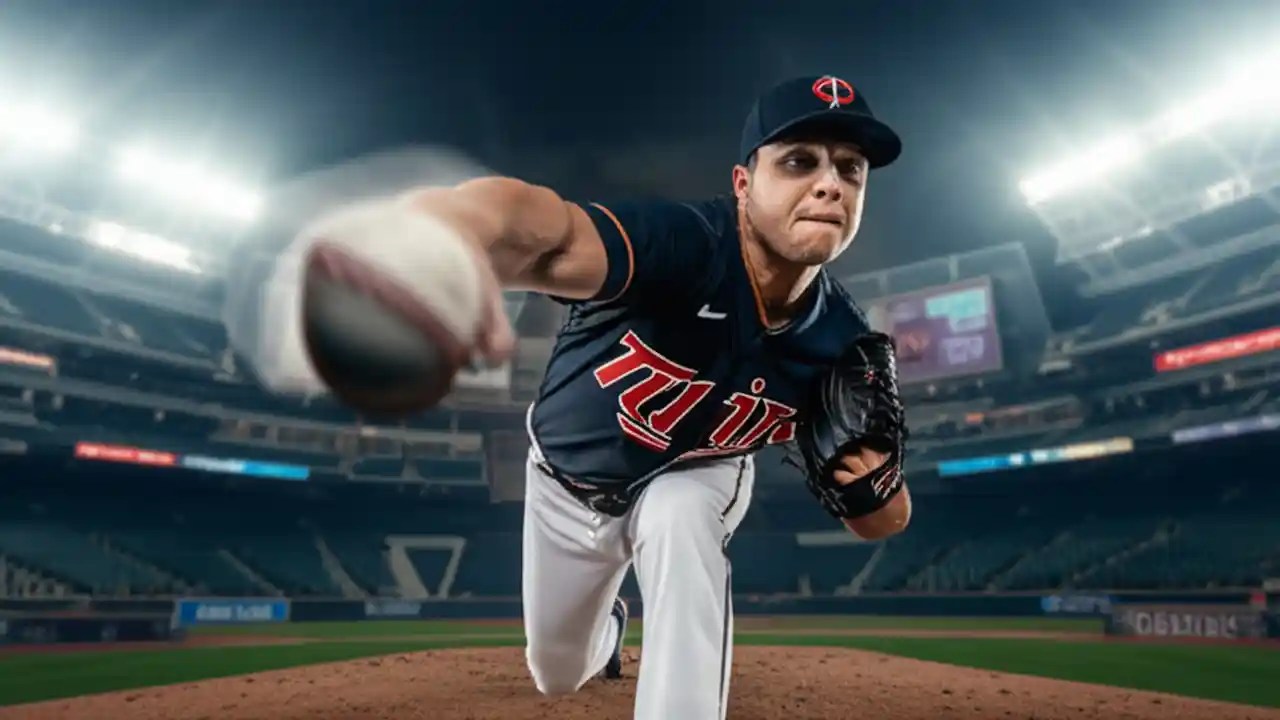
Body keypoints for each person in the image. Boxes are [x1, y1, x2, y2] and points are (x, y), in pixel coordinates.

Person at [339, 74, 911, 720]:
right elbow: (547, 230)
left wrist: (874, 489)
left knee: (678, 513)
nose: (831, 184)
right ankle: (607, 633)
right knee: (555, 672)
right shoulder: (681, 246)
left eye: (852, 170)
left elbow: (881, 521)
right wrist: (449, 226)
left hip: (702, 473)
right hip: (565, 481)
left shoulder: (842, 342)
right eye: (800, 161)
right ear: (744, 184)